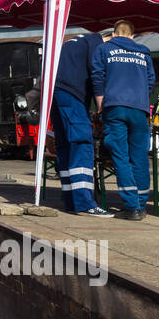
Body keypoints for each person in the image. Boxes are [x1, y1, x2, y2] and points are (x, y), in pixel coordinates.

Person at [91, 21, 156, 221]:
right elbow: (150, 81)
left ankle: (132, 206)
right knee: (140, 157)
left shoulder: (103, 49)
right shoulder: (144, 53)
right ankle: (142, 203)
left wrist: (100, 105)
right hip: (140, 109)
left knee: (121, 156)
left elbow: (97, 78)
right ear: (131, 35)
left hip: (115, 107)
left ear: (113, 33)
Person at [50, 31, 111, 216]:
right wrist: (101, 104)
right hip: (72, 95)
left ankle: (71, 201)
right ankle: (85, 204)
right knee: (82, 144)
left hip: (56, 94)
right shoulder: (97, 44)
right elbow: (97, 74)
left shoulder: (76, 42)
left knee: (66, 147)